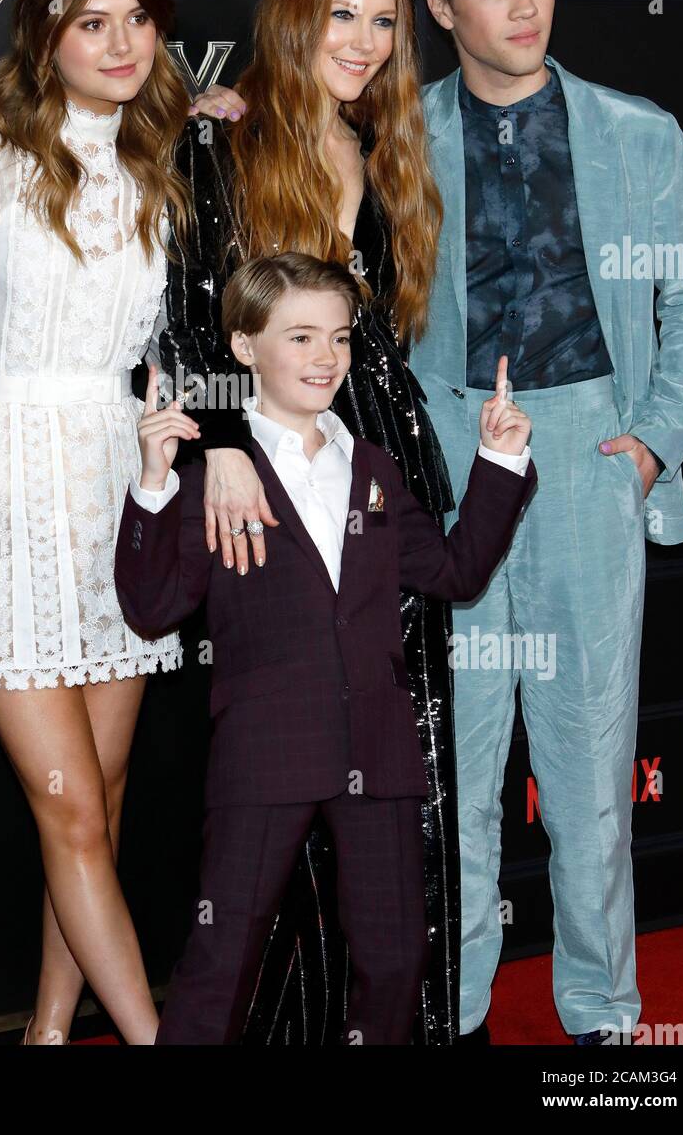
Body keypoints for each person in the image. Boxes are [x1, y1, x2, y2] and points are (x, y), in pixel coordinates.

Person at [411, 0, 683, 1043]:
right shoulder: (400, 133)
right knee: (455, 759)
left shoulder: (633, 132)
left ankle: (601, 1016)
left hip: (591, 456)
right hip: (451, 459)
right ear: (441, 5)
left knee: (591, 764)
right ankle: (450, 1008)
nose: (524, 6)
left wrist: (647, 441)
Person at [155, 0, 461, 1042]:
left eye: (383, 19)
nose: (366, 39)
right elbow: (186, 312)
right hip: (264, 464)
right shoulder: (223, 139)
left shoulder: (380, 142)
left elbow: (384, 330)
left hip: (380, 459)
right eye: (342, 13)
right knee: (278, 771)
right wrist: (218, 447)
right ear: (294, 15)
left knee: (394, 750)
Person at [117, 253, 536, 1044]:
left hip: (378, 749)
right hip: (265, 749)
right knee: (221, 960)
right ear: (244, 347)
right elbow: (150, 606)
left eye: (338, 339)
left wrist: (499, 459)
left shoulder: (373, 469)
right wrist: (153, 482)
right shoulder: (219, 476)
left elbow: (454, 571)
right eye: (300, 337)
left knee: (395, 960)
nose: (326, 359)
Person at [0, 0, 195, 1045]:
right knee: (65, 804)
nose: (119, 42)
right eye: (90, 21)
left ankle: (50, 1035)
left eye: (136, 18)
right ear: (45, 33)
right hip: (8, 491)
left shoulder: (158, 167)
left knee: (97, 805)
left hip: (116, 493)